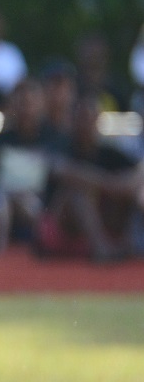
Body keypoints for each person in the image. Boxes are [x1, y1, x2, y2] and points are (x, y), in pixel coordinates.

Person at [0, 78, 67, 253]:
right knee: (2, 204)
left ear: (41, 104)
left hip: (37, 209)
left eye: (30, 103)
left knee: (27, 205)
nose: (26, 109)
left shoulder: (56, 140)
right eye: (20, 103)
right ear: (10, 105)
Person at [40, 96, 144, 262]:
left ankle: (126, 243)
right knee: (76, 192)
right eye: (81, 118)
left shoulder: (108, 152)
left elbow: (139, 171)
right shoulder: (59, 146)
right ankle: (101, 248)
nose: (85, 124)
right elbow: (64, 171)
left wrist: (121, 187)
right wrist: (110, 184)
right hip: (59, 228)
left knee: (132, 191)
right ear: (72, 120)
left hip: (100, 225)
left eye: (90, 117)